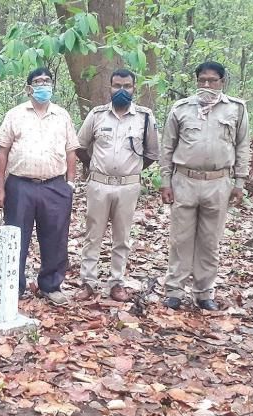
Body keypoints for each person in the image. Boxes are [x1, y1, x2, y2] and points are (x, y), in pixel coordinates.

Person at [159, 61, 250, 311]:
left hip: (218, 182)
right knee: (180, 239)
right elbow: (167, 147)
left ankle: (204, 292)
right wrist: (165, 181)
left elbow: (242, 146)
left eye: (212, 80)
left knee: (210, 241)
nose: (207, 85)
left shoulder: (236, 109)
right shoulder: (181, 109)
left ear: (222, 82)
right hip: (184, 180)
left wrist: (240, 181)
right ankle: (175, 290)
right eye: (202, 80)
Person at [0, 67, 79, 306]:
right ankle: (14, 286)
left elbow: (71, 150)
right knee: (16, 237)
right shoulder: (15, 115)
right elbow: (2, 152)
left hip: (55, 186)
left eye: (47, 81)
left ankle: (51, 285)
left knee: (55, 237)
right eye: (38, 81)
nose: (44, 85)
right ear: (29, 87)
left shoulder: (62, 115)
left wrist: (70, 184)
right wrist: (0, 188)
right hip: (20, 186)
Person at [75, 69, 159, 302]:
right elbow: (80, 146)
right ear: (109, 87)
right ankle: (88, 282)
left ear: (134, 88)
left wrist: (131, 170)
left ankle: (116, 282)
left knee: (122, 237)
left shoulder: (144, 118)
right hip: (99, 184)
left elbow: (152, 153)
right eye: (117, 86)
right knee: (93, 235)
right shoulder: (97, 114)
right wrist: (93, 165)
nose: (121, 91)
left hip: (128, 186)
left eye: (127, 86)